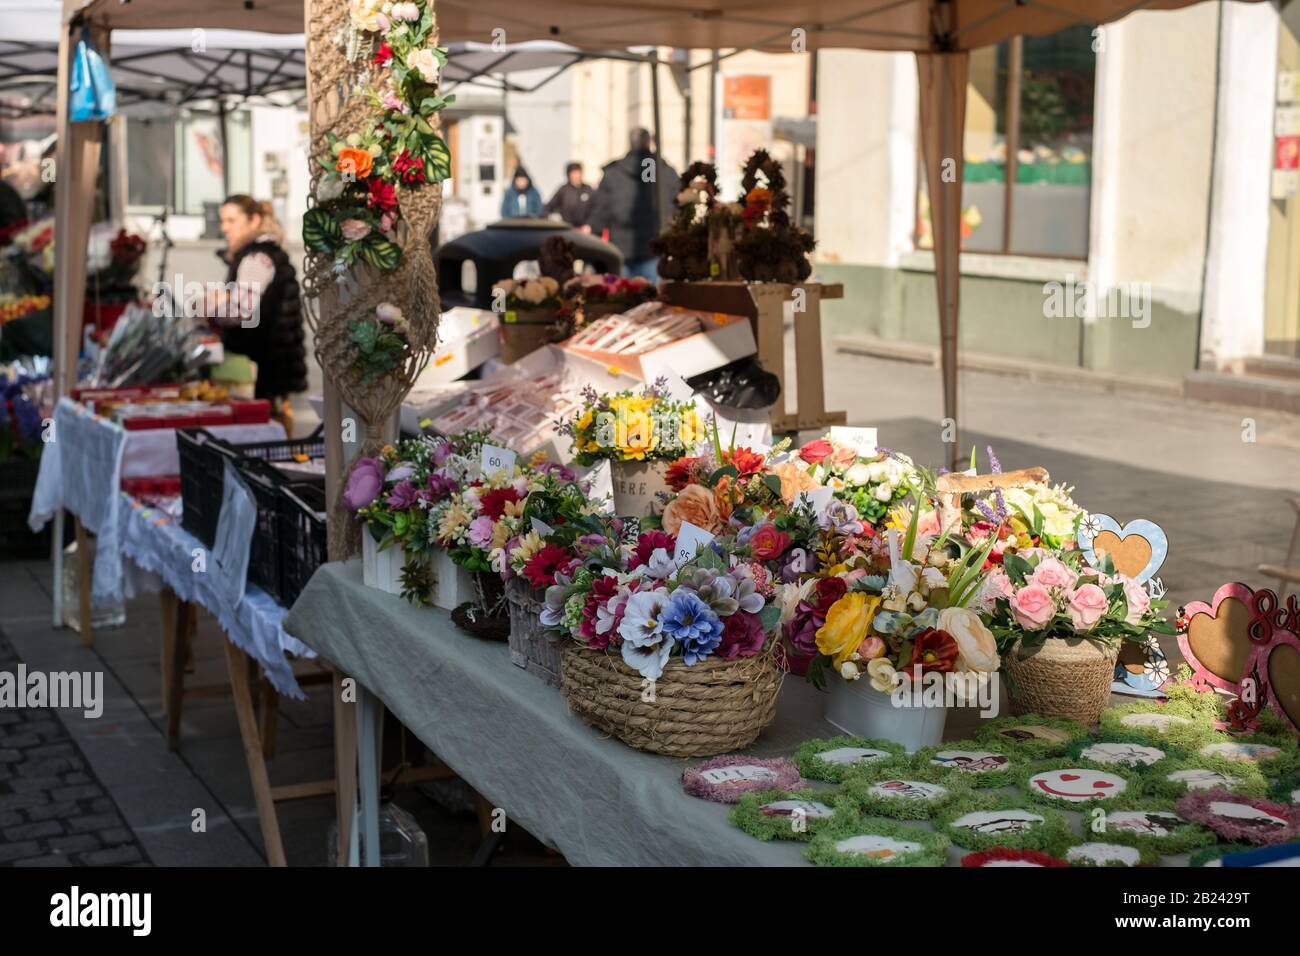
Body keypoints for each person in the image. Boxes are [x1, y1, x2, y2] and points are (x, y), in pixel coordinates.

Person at [208, 195, 308, 432]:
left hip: (264, 373)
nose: (225, 228)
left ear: (254, 220)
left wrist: (207, 308)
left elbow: (240, 310)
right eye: (223, 221)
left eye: (232, 220)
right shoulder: (264, 253)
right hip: (270, 371)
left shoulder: (257, 258)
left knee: (269, 438)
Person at [588, 128, 678, 280]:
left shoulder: (614, 173)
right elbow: (677, 207)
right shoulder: (664, 171)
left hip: (621, 250)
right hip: (654, 249)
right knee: (656, 301)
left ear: (629, 143)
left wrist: (595, 244)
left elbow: (600, 213)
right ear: (649, 142)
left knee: (623, 300)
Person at [543, 161, 594, 231]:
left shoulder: (588, 190)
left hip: (585, 230)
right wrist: (554, 218)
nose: (577, 176)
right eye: (574, 173)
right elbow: (547, 207)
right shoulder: (563, 190)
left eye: (579, 173)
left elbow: (596, 210)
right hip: (567, 230)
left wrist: (589, 224)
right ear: (569, 175)